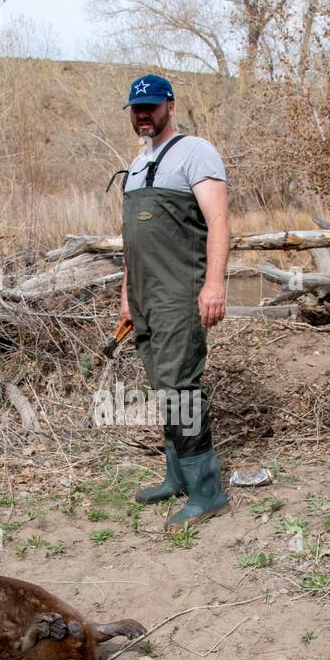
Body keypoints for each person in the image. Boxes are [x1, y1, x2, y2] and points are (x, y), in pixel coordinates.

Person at [113, 73, 230, 532]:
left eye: (153, 106)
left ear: (171, 107)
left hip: (180, 292)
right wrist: (126, 295)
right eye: (137, 109)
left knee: (181, 387)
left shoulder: (195, 152)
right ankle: (176, 477)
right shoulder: (138, 163)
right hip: (144, 296)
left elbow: (219, 222)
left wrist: (214, 284)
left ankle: (208, 493)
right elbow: (134, 241)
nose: (144, 114)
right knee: (163, 387)